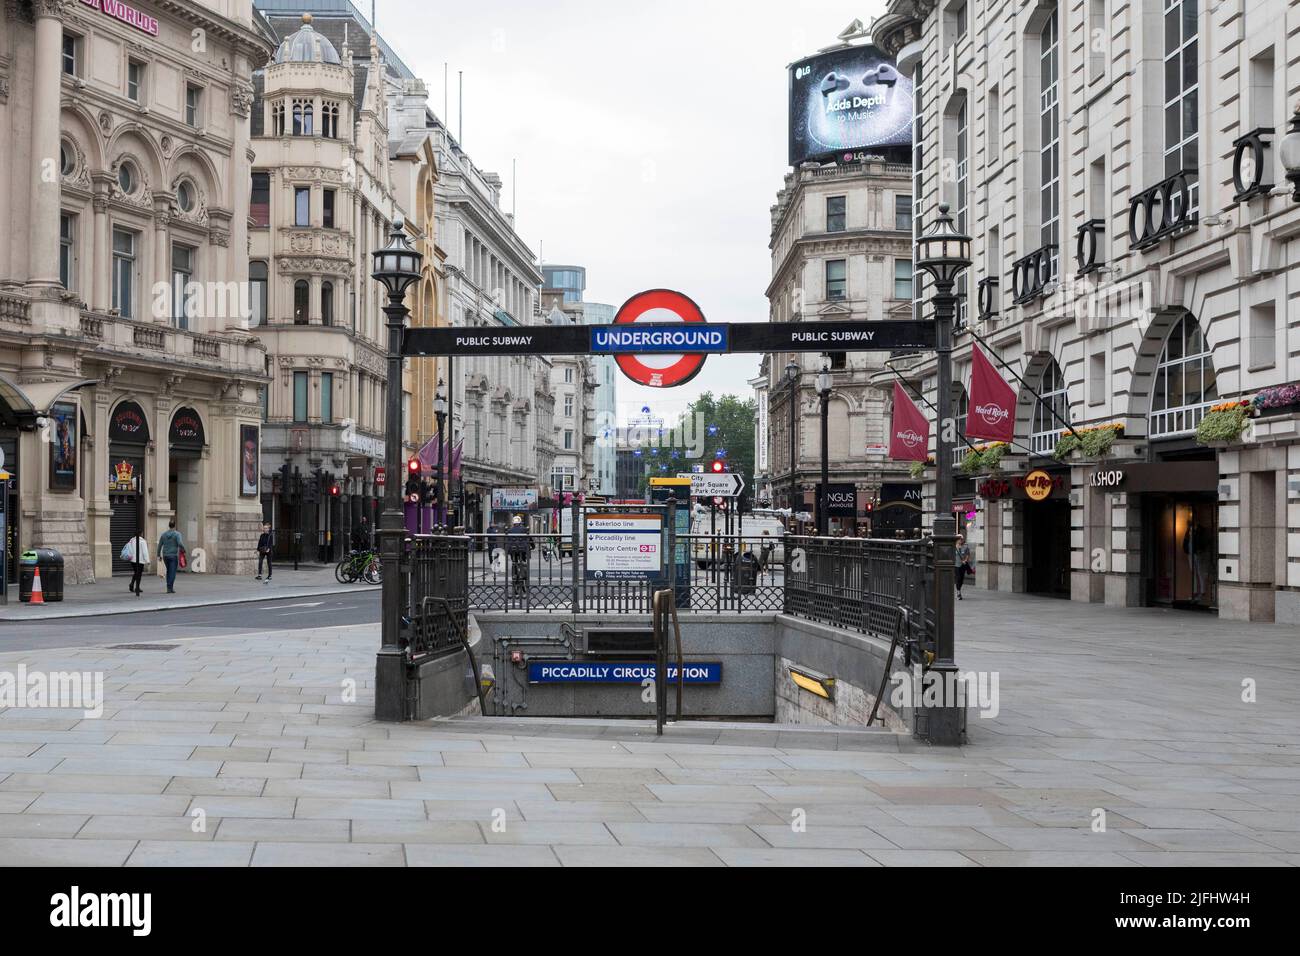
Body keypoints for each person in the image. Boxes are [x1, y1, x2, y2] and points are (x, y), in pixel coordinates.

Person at [158, 520, 185, 594]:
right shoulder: (177, 534)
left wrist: (158, 555)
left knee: (168, 571)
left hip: (165, 556)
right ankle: (170, 588)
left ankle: (169, 587)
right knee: (172, 572)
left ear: (169, 525)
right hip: (173, 555)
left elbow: (160, 545)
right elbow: (180, 543)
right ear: (175, 525)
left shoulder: (163, 534)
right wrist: (183, 549)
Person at [506, 515, 530, 591]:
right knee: (523, 562)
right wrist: (532, 546)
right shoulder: (524, 529)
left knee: (514, 562)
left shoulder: (509, 530)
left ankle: (514, 574)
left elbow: (507, 541)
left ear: (513, 523)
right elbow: (530, 539)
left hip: (512, 550)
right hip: (522, 550)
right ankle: (523, 575)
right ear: (520, 523)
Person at [120, 532, 149, 596]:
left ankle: (132, 584)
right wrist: (147, 561)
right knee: (139, 574)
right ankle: (137, 587)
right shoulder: (143, 541)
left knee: (136, 572)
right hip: (140, 560)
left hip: (132, 560)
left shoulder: (131, 540)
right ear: (141, 534)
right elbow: (145, 552)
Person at [955, 534, 973, 600]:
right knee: (958, 578)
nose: (960, 540)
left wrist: (965, 560)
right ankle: (958, 592)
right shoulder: (953, 547)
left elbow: (968, 554)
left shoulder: (965, 547)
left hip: (963, 565)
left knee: (961, 579)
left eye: (961, 539)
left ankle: (959, 590)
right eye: (959, 539)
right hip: (956, 565)